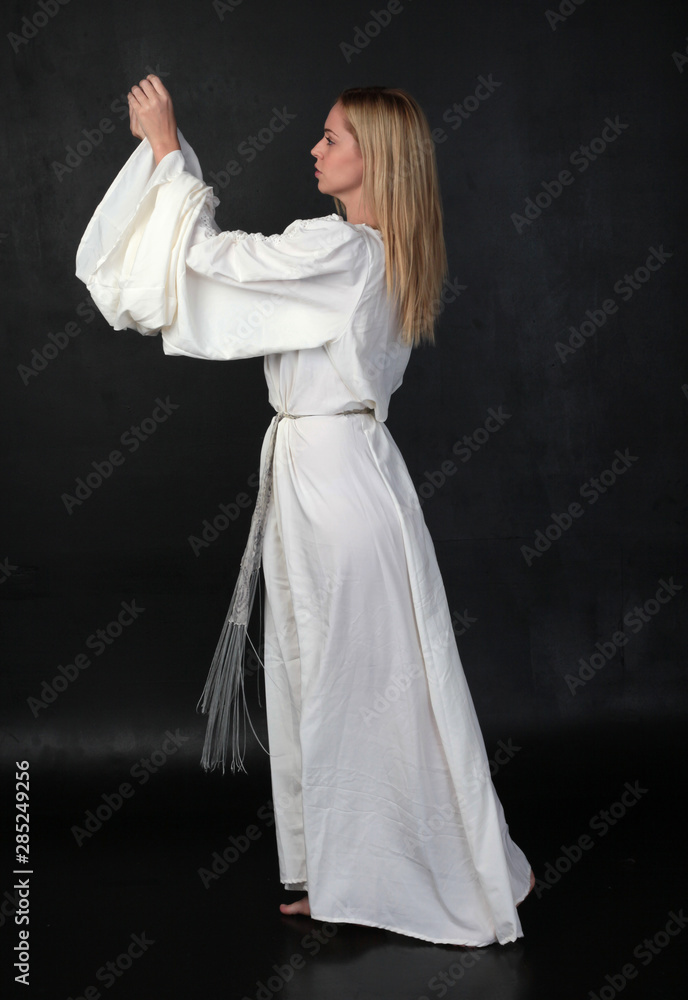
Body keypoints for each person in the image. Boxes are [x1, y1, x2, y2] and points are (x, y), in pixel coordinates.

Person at [75, 75, 535, 947]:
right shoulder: (369, 252)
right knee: (329, 679)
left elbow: (222, 261)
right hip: (330, 475)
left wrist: (170, 151)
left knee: (348, 685)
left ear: (376, 160)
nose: (314, 150)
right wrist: (172, 162)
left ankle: (414, 875)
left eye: (332, 138)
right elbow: (230, 266)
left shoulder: (347, 252)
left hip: (337, 487)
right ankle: (344, 868)